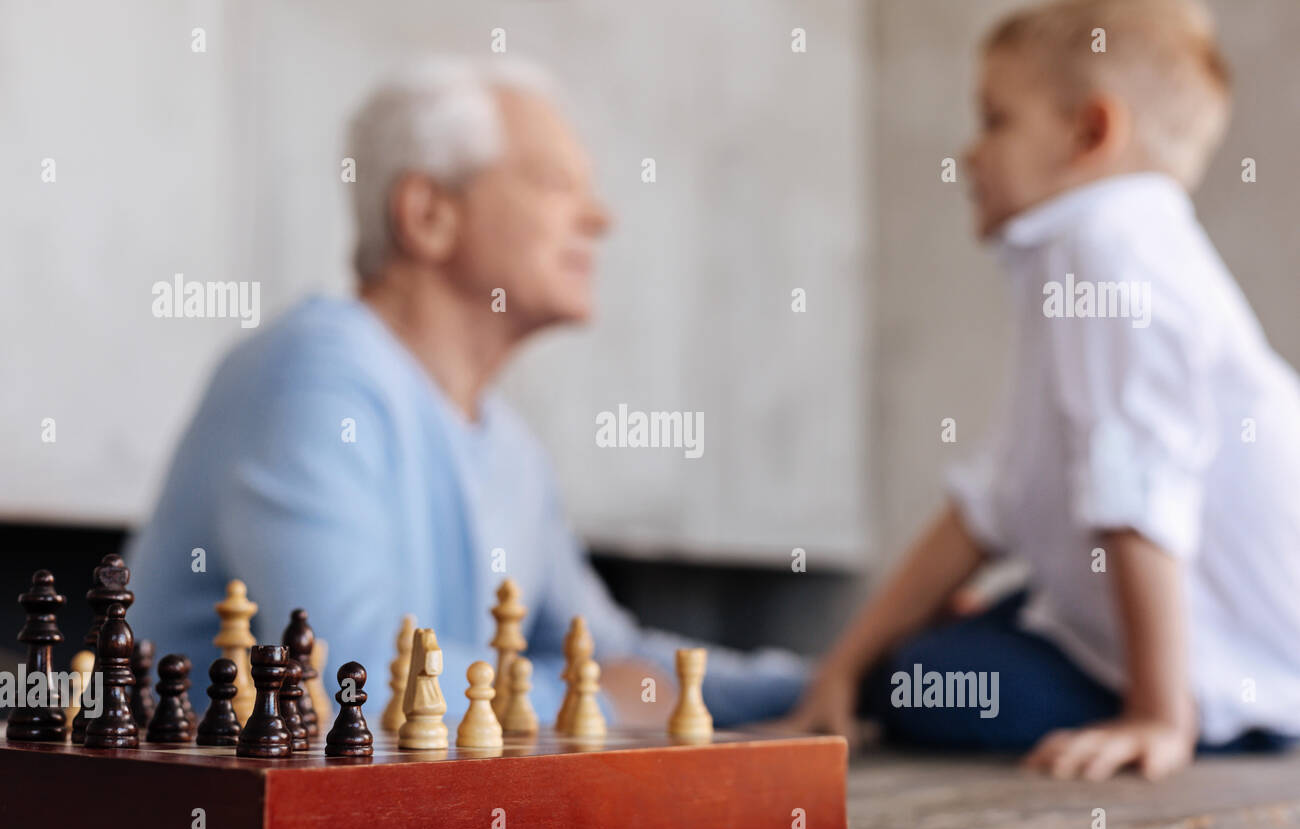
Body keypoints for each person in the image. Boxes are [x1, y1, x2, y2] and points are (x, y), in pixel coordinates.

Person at [125, 58, 808, 727]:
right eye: (555, 183)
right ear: (427, 215)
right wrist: (601, 702)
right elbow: (350, 679)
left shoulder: (510, 446)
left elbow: (622, 659)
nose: (601, 218)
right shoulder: (310, 376)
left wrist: (840, 679)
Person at [789, 0, 1300, 779]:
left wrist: (1159, 718)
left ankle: (1197, 710)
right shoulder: (1083, 253)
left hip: (1232, 672)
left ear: (1091, 133)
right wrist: (841, 665)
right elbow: (993, 501)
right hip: (1152, 637)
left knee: (920, 685)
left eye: (995, 119)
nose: (969, 153)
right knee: (912, 664)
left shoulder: (1111, 251)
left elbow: (1141, 493)